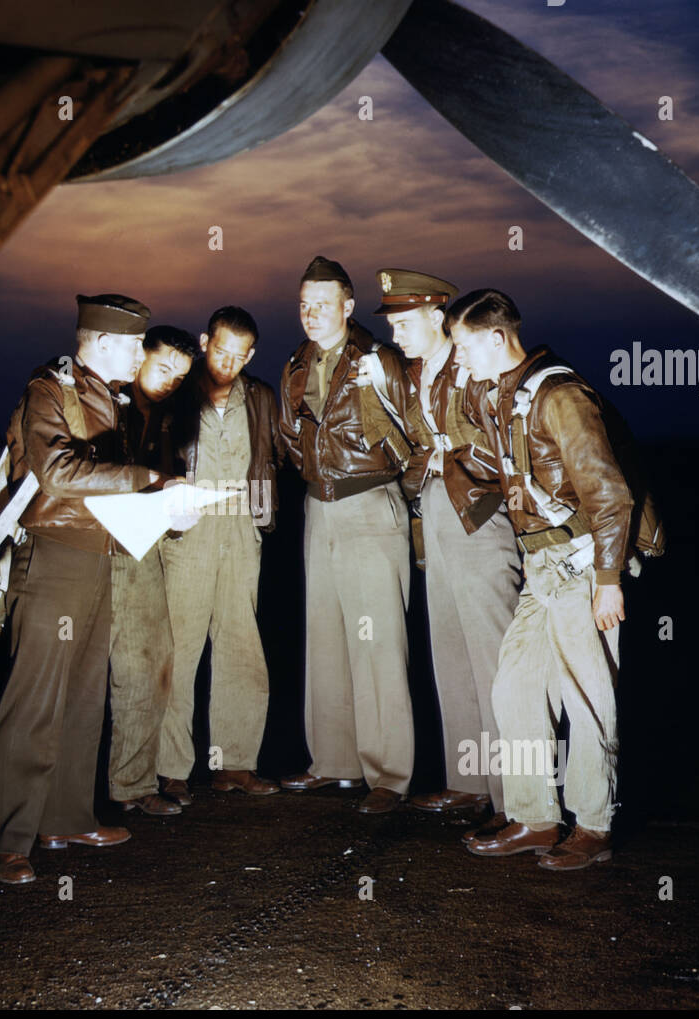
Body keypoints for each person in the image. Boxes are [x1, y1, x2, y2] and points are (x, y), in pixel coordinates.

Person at [0, 294, 192, 885]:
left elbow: (112, 486)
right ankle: (11, 839)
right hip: (52, 557)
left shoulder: (112, 398)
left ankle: (66, 818)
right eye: (133, 345)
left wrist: (164, 503)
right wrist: (150, 477)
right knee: (34, 701)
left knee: (82, 697)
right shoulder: (48, 392)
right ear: (102, 343)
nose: (139, 354)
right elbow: (57, 472)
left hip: (97, 557)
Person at [448, 289, 633, 870]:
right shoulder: (504, 398)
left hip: (579, 566)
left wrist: (608, 579)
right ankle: (534, 816)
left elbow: (610, 493)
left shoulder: (558, 395)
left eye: (463, 346)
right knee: (516, 688)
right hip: (541, 568)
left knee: (587, 699)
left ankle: (594, 826)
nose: (459, 360)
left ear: (497, 337)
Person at [361, 269, 521, 844]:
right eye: (393, 324)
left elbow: (505, 438)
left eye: (405, 323)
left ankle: (516, 799)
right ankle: (471, 780)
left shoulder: (471, 366)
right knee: (451, 650)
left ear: (437, 317)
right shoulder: (415, 373)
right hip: (438, 512)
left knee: (494, 658)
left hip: (479, 513)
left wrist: (446, 452)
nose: (398, 334)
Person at [277, 255, 417, 815]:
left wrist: (389, 494)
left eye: (323, 303)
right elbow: (291, 439)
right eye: (304, 304)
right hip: (318, 507)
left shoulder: (378, 359)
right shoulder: (296, 362)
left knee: (378, 642)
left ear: (348, 306)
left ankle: (389, 774)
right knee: (325, 637)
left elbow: (411, 432)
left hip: (367, 503)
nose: (311, 314)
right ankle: (332, 763)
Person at [156, 307, 281, 804]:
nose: (227, 362)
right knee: (178, 648)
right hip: (189, 526)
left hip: (242, 526)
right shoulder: (177, 393)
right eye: (220, 350)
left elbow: (278, 453)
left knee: (240, 644)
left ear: (250, 354)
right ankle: (170, 769)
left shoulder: (261, 397)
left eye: (239, 355)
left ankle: (234, 764)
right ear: (206, 341)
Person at [108, 326, 197, 817]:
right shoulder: (108, 403)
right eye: (163, 368)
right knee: (91, 674)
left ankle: (131, 786)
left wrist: (176, 513)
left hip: (139, 547)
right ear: (138, 355)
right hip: (96, 549)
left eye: (180, 376)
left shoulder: (164, 417)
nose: (169, 381)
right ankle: (71, 801)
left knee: (150, 662)